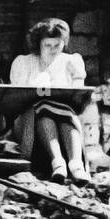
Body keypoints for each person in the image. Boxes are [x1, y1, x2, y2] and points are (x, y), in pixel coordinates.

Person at [10, 18, 90, 185]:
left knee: (57, 108)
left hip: (65, 120)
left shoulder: (71, 62)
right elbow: (17, 97)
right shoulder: (24, 62)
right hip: (29, 125)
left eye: (57, 45)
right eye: (48, 45)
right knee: (43, 106)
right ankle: (58, 161)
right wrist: (40, 89)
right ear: (39, 44)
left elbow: (77, 95)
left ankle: (75, 164)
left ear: (64, 43)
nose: (53, 50)